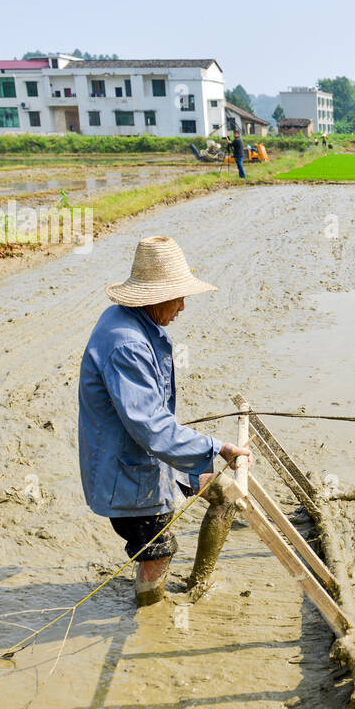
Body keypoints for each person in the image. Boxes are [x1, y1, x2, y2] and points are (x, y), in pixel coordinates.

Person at [78, 236, 251, 606]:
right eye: (179, 296)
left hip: (149, 455)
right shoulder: (127, 344)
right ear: (154, 297)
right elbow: (152, 427)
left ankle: (197, 586)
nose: (184, 306)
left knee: (223, 495)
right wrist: (217, 447)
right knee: (157, 551)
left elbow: (151, 417)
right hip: (129, 476)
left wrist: (197, 446)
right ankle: (149, 612)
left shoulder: (127, 320)